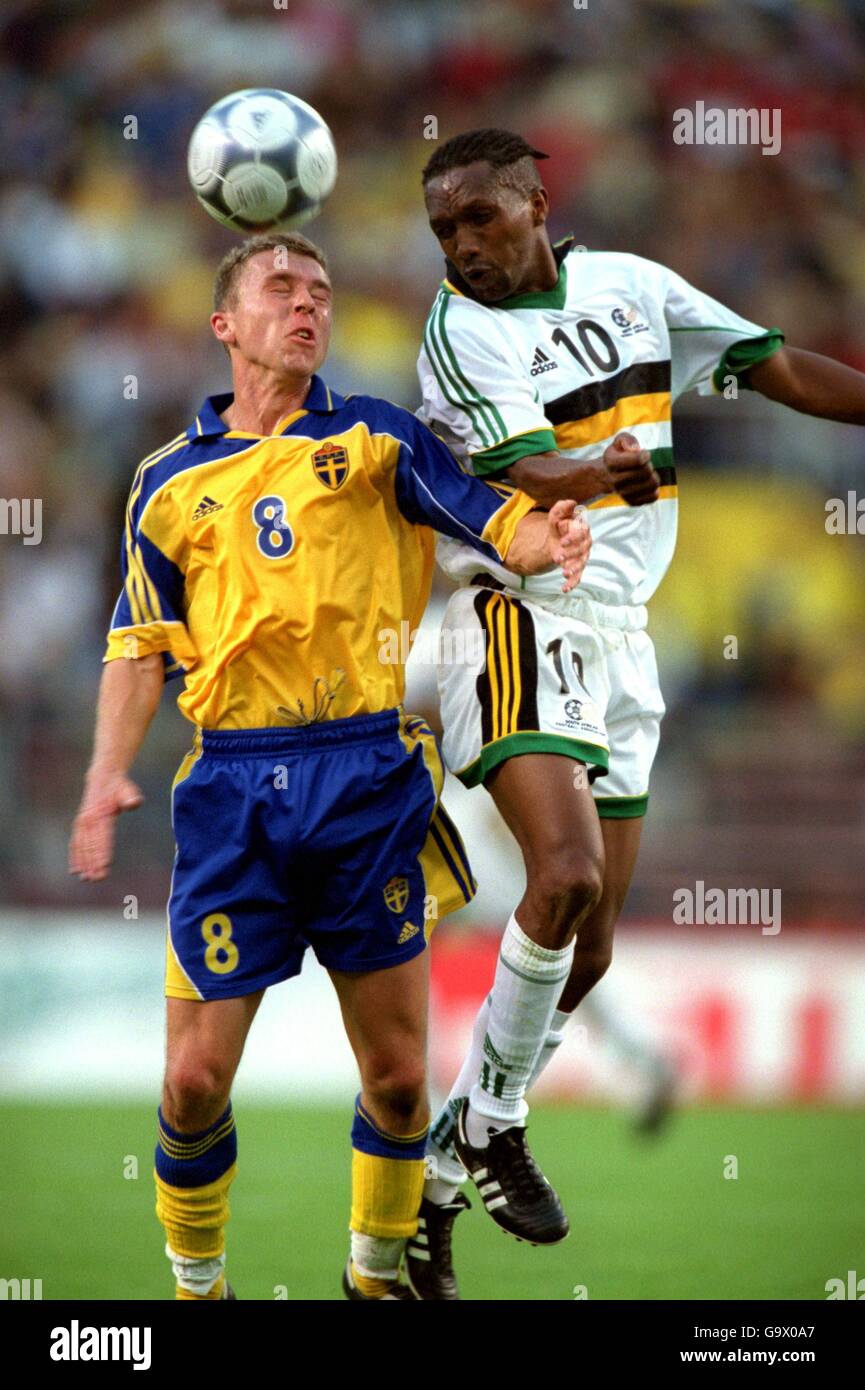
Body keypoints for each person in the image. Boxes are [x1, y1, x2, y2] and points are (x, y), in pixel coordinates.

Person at [67, 229, 593, 1302]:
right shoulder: (167, 483)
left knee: (401, 1082)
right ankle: (196, 1288)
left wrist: (549, 538)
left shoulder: (379, 440)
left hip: (365, 779)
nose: (308, 304)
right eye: (280, 288)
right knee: (190, 1078)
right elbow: (138, 645)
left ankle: (369, 1281)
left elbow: (489, 519)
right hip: (230, 788)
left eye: (320, 290)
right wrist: (102, 776)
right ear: (225, 323)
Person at [407, 127, 865, 1299]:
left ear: (535, 201)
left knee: (591, 947)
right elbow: (520, 475)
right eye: (443, 232)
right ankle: (495, 1124)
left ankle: (436, 1181)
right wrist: (607, 462)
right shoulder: (459, 333)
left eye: (480, 220)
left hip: (621, 640)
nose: (461, 247)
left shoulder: (636, 289)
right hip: (512, 613)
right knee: (556, 883)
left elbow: (779, 369)